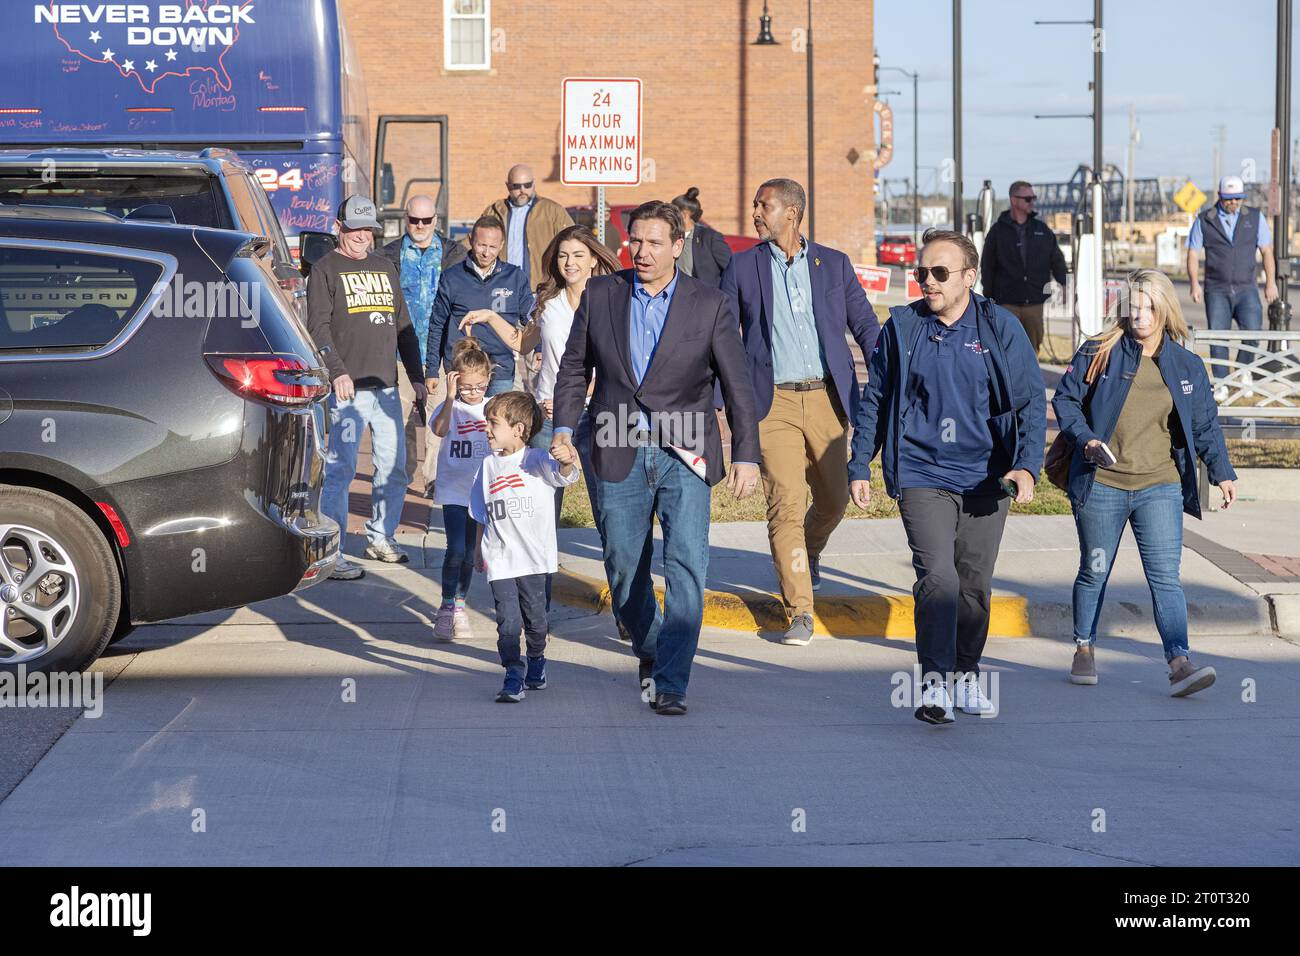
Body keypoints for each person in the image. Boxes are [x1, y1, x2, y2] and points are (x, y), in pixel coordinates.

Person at [551, 200, 762, 717]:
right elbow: (575, 369)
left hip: (685, 451)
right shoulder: (603, 294)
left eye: (653, 243)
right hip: (615, 442)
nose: (641, 252)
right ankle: (654, 649)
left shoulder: (708, 303)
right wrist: (561, 429)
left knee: (687, 565)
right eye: (635, 242)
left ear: (677, 245)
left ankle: (671, 680)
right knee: (624, 569)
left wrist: (747, 455)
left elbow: (737, 385)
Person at [848, 228, 1046, 726]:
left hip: (987, 476)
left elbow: (1028, 403)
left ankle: (966, 673)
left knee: (974, 584)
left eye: (940, 273)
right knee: (938, 577)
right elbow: (875, 400)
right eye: (922, 273)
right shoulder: (902, 328)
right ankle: (934, 681)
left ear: (969, 277)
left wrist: (1025, 464)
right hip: (922, 470)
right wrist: (859, 466)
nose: (928, 283)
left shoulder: (999, 328)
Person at [1053, 269, 1238, 696]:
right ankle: (1084, 647)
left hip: (1160, 484)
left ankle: (1179, 661)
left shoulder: (1185, 363)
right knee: (1094, 571)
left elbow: (1204, 424)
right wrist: (1086, 440)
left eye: (1149, 306)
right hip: (1104, 483)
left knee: (1166, 578)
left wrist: (1222, 472)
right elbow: (1064, 399)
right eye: (1134, 305)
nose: (1140, 314)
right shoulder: (1100, 351)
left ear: (1164, 308)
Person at [721, 177, 880, 645]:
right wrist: (725, 401)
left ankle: (808, 553)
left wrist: (888, 371)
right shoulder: (741, 267)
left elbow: (866, 326)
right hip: (773, 403)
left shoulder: (833, 264)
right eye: (754, 204)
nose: (754, 213)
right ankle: (800, 611)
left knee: (833, 499)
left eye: (762, 205)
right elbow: (726, 337)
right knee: (786, 504)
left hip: (829, 399)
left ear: (791, 212)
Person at [458, 225, 623, 616]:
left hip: (600, 417)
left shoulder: (613, 299)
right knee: (538, 514)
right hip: (551, 421)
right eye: (563, 255)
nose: (570, 262)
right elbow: (521, 343)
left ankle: (626, 610)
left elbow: (620, 360)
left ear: (595, 258)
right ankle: (538, 614)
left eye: (579, 255)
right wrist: (487, 317)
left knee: (611, 514)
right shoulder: (548, 303)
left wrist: (582, 393)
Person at [307, 195, 426, 579]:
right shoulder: (324, 270)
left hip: (387, 387)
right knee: (340, 471)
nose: (361, 236)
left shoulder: (385, 267)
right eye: (354, 228)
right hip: (347, 391)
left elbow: (403, 328)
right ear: (339, 227)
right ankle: (333, 552)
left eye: (368, 229)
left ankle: (381, 537)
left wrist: (418, 377)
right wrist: (336, 371)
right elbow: (318, 328)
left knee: (394, 469)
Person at [469, 391, 580, 702]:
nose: (487, 429)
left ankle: (537, 661)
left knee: (535, 619)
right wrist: (479, 549)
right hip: (500, 557)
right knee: (507, 622)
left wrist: (568, 463)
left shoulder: (536, 460)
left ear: (517, 429)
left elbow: (564, 477)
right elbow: (481, 511)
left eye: (493, 423)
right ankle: (512, 673)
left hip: (533, 559)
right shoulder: (488, 465)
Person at [1186, 174, 1279, 400]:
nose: (1234, 203)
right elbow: (1192, 252)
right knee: (1218, 337)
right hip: (1216, 289)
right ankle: (1221, 381)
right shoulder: (1205, 219)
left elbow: (1267, 251)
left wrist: (1270, 282)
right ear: (1220, 196)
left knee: (1253, 330)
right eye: (1229, 199)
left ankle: (1244, 371)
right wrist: (1194, 283)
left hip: (1247, 288)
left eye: (1238, 198)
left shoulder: (1255, 218)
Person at [425, 216, 534, 400]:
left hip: (501, 369)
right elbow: (437, 325)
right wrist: (432, 370)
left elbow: (531, 320)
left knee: (500, 423)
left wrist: (538, 348)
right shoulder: (452, 277)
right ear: (471, 240)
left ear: (501, 245)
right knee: (464, 425)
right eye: (481, 245)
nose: (486, 252)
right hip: (462, 370)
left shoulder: (515, 276)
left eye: (492, 247)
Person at [428, 338, 495, 642]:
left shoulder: (492, 408)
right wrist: (450, 397)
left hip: (481, 492)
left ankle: (459, 606)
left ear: (488, 380)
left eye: (478, 386)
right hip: (454, 490)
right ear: (455, 382)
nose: (473, 393)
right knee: (455, 549)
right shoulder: (451, 407)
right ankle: (445, 607)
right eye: (466, 387)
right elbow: (439, 430)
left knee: (470, 554)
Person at [381, 195, 444, 499]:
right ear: (405, 219)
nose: (419, 226)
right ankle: (404, 477)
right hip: (398, 352)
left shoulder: (453, 254)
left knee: (437, 418)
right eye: (413, 220)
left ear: (436, 220)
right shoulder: (387, 256)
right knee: (402, 418)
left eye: (426, 220)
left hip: (439, 352)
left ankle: (433, 478)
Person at [979, 180, 1067, 356]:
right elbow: (987, 266)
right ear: (1014, 200)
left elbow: (1056, 259)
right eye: (1028, 198)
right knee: (1005, 349)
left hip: (1034, 302)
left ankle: (1030, 382)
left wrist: (1064, 284)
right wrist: (989, 298)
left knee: (1032, 350)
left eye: (1033, 198)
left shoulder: (1042, 229)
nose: (1032, 202)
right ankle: (1007, 382)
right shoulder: (997, 232)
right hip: (1006, 302)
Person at [476, 163, 575, 291]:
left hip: (540, 288)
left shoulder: (552, 211)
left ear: (533, 184)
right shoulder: (494, 211)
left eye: (527, 185)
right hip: (502, 288)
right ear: (508, 186)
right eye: (516, 186)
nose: (522, 190)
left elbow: (574, 240)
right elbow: (472, 242)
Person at [671, 186, 732, 287]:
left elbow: (731, 270)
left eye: (673, 212)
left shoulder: (709, 237)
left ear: (684, 214)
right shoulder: (671, 237)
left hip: (707, 297)